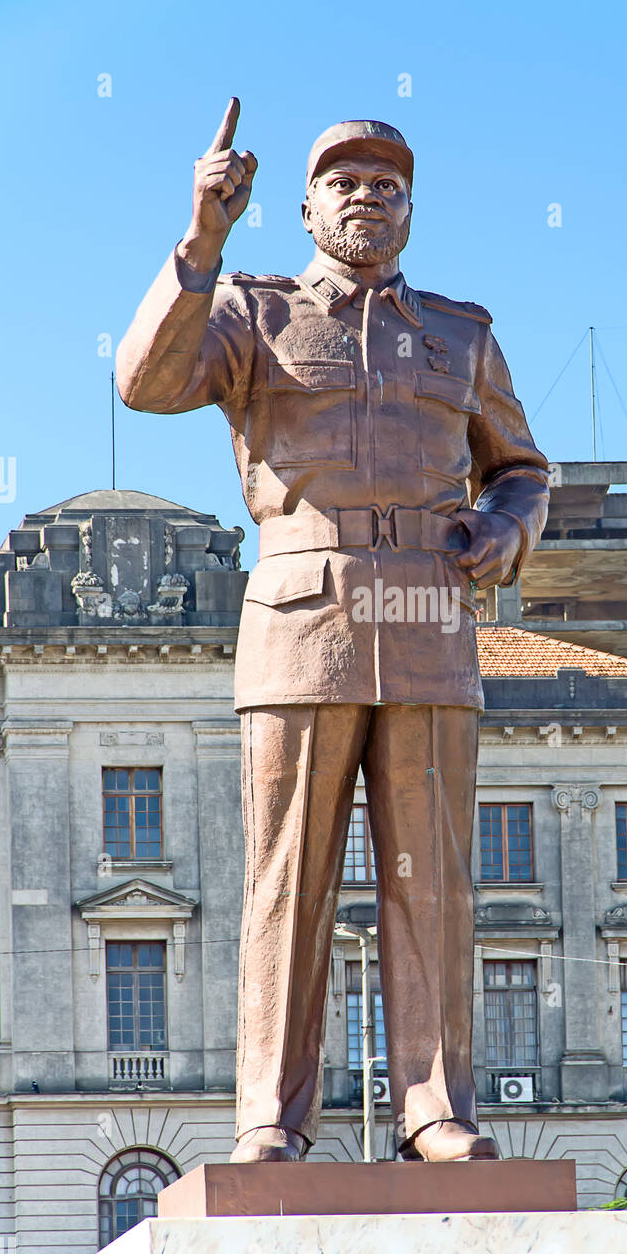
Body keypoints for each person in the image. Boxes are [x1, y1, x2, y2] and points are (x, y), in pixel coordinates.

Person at [116, 102, 550, 1162]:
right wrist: (202, 240)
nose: (367, 195)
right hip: (301, 612)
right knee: (287, 879)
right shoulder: (250, 311)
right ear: (305, 206)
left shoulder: (462, 333)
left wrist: (506, 521)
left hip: (431, 616)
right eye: (344, 181)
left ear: (411, 210)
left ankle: (436, 1109)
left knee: (433, 882)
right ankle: (271, 1114)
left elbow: (524, 465)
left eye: (387, 183)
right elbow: (144, 382)